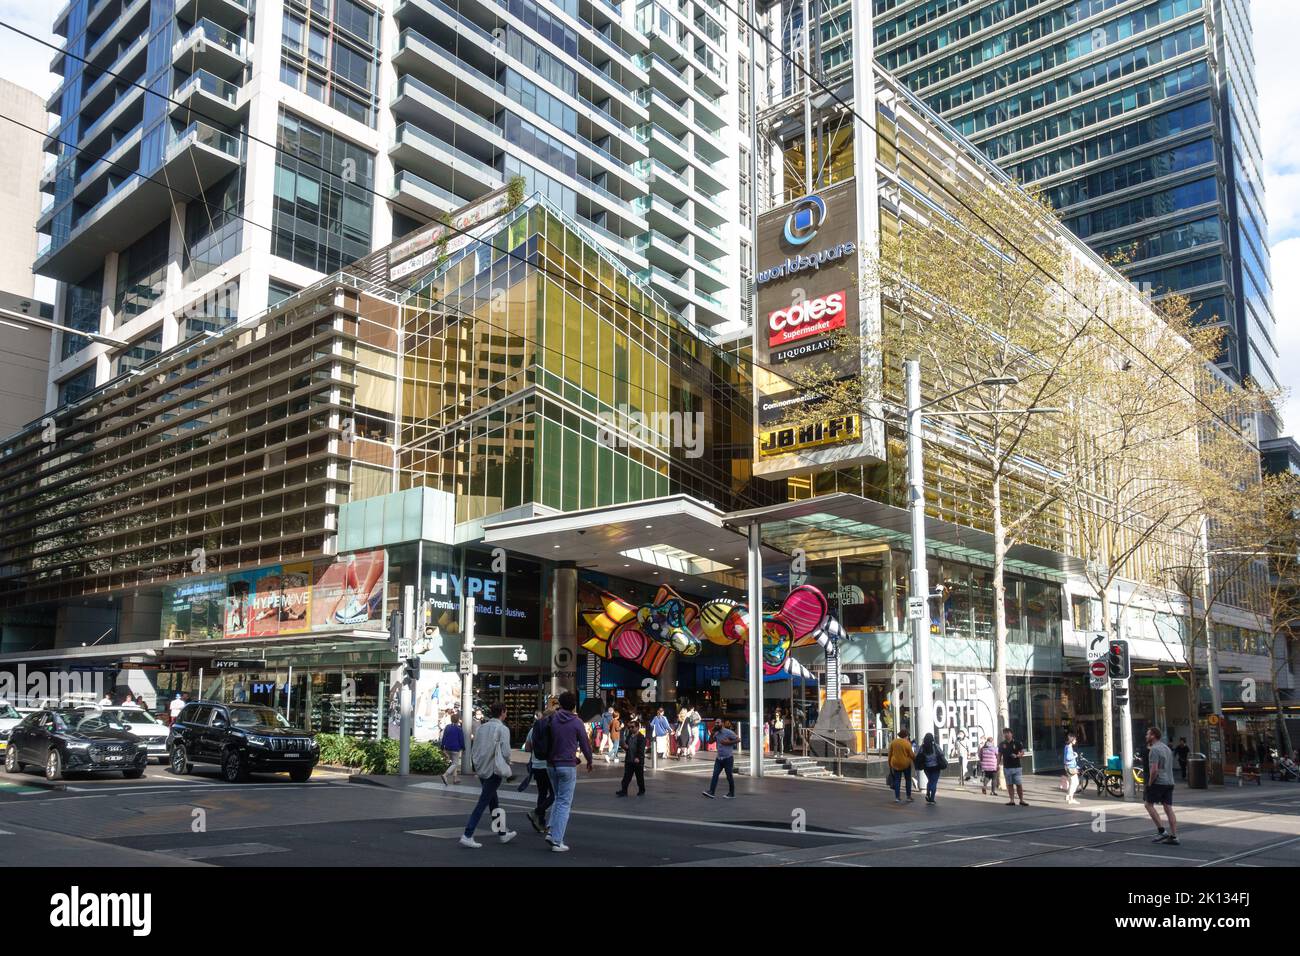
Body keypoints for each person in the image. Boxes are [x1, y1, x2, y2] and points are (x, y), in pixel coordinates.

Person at [459, 702, 518, 849]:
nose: (506, 714)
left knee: (493, 802)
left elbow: (476, 748)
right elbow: (506, 752)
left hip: (482, 769)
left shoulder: (481, 728)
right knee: (484, 802)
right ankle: (468, 834)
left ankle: (503, 833)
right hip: (494, 769)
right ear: (502, 712)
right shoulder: (503, 729)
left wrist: (478, 766)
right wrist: (508, 762)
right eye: (506, 711)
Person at [545, 691, 593, 853]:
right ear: (574, 706)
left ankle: (551, 831)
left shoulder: (552, 719)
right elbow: (585, 745)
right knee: (565, 803)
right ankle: (557, 841)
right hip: (567, 765)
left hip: (551, 765)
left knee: (558, 799)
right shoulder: (577, 722)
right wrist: (589, 761)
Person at [522, 699, 557, 834]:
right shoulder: (551, 728)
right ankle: (536, 812)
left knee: (542, 793)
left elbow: (527, 748)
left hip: (536, 766)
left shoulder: (533, 729)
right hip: (547, 765)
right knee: (554, 794)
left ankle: (540, 822)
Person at [1143, 727, 1179, 845]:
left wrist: (1149, 783)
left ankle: (1161, 831)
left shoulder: (1154, 750)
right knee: (1168, 808)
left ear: (1153, 736)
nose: (1146, 736)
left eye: (1148, 734)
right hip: (1169, 782)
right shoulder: (1167, 748)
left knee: (1148, 805)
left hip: (1158, 782)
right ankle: (1174, 836)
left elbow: (1154, 770)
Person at [701, 719, 739, 799]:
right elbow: (710, 742)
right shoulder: (716, 733)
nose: (716, 724)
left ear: (722, 723)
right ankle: (711, 792)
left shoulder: (728, 732)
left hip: (728, 758)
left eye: (718, 723)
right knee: (715, 774)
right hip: (719, 759)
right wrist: (712, 734)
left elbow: (738, 739)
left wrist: (728, 743)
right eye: (715, 723)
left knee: (729, 776)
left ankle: (731, 793)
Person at [617, 718, 647, 796]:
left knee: (639, 777)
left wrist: (638, 757)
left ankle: (642, 790)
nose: (630, 728)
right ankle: (624, 791)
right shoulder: (629, 735)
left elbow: (641, 749)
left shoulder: (641, 737)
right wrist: (624, 746)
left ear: (637, 727)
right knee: (626, 777)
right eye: (629, 727)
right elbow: (627, 746)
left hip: (637, 761)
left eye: (632, 727)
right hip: (629, 759)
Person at [998, 728, 1029, 806]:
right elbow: (999, 755)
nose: (1006, 734)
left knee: (1019, 784)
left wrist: (1017, 755)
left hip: (1017, 767)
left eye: (1008, 733)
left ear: (1011, 734)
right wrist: (997, 764)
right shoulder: (1002, 744)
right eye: (1004, 733)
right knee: (1009, 784)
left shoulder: (1017, 743)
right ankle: (1011, 800)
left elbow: (1022, 752)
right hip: (1007, 767)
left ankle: (1021, 800)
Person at [915, 732, 945, 804]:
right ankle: (932, 799)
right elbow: (942, 754)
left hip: (927, 768)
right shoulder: (935, 746)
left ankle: (928, 793)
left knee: (930, 781)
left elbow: (918, 756)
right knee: (933, 782)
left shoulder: (922, 747)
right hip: (936, 767)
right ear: (932, 739)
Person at [887, 731, 915, 803]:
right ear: (905, 736)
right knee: (908, 780)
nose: (908, 737)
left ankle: (897, 797)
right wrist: (915, 760)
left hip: (895, 764)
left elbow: (890, 754)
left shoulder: (893, 742)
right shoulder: (907, 743)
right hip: (906, 764)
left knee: (897, 781)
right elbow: (911, 755)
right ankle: (908, 796)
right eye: (907, 736)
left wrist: (889, 763)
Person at [439, 712, 465, 786]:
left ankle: (455, 779)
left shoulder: (447, 727)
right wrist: (463, 747)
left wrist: (442, 746)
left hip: (447, 748)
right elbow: (461, 740)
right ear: (458, 720)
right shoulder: (459, 729)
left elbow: (444, 737)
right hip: (455, 749)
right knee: (455, 763)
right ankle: (445, 775)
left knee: (454, 763)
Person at [1062, 733, 1080, 805]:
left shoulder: (1067, 746)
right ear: (1072, 740)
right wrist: (1075, 756)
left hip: (1068, 767)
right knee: (1075, 783)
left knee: (1071, 782)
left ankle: (1068, 796)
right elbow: (1068, 758)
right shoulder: (1069, 747)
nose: (1076, 741)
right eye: (1075, 739)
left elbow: (1065, 758)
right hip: (1071, 768)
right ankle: (1071, 798)